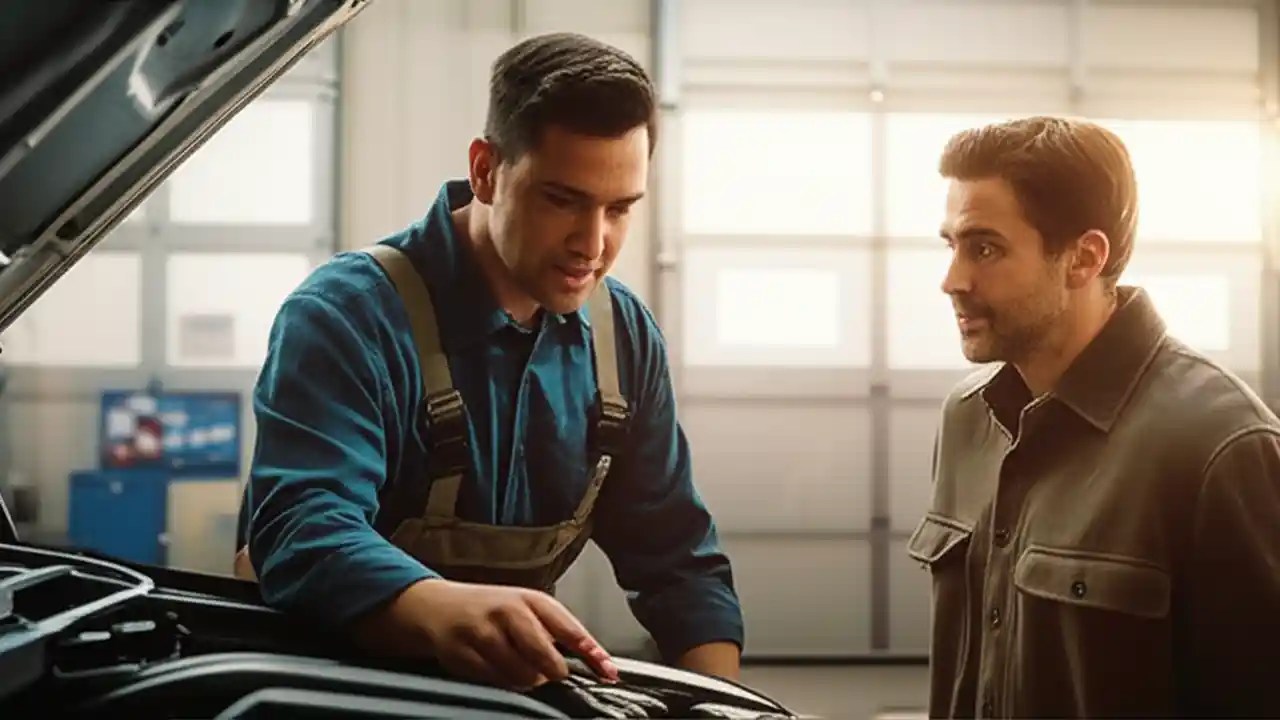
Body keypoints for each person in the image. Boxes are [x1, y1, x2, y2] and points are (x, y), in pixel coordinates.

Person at [234, 32, 744, 691]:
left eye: (619, 210)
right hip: (334, 692)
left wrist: (723, 702)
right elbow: (301, 520)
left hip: (510, 700)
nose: (593, 244)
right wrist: (439, 607)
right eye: (562, 200)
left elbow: (679, 565)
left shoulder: (624, 341)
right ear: (485, 171)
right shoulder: (347, 316)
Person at [910, 116, 1280, 718]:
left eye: (985, 248)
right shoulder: (965, 420)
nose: (952, 280)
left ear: (1083, 258)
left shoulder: (1220, 447)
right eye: (951, 245)